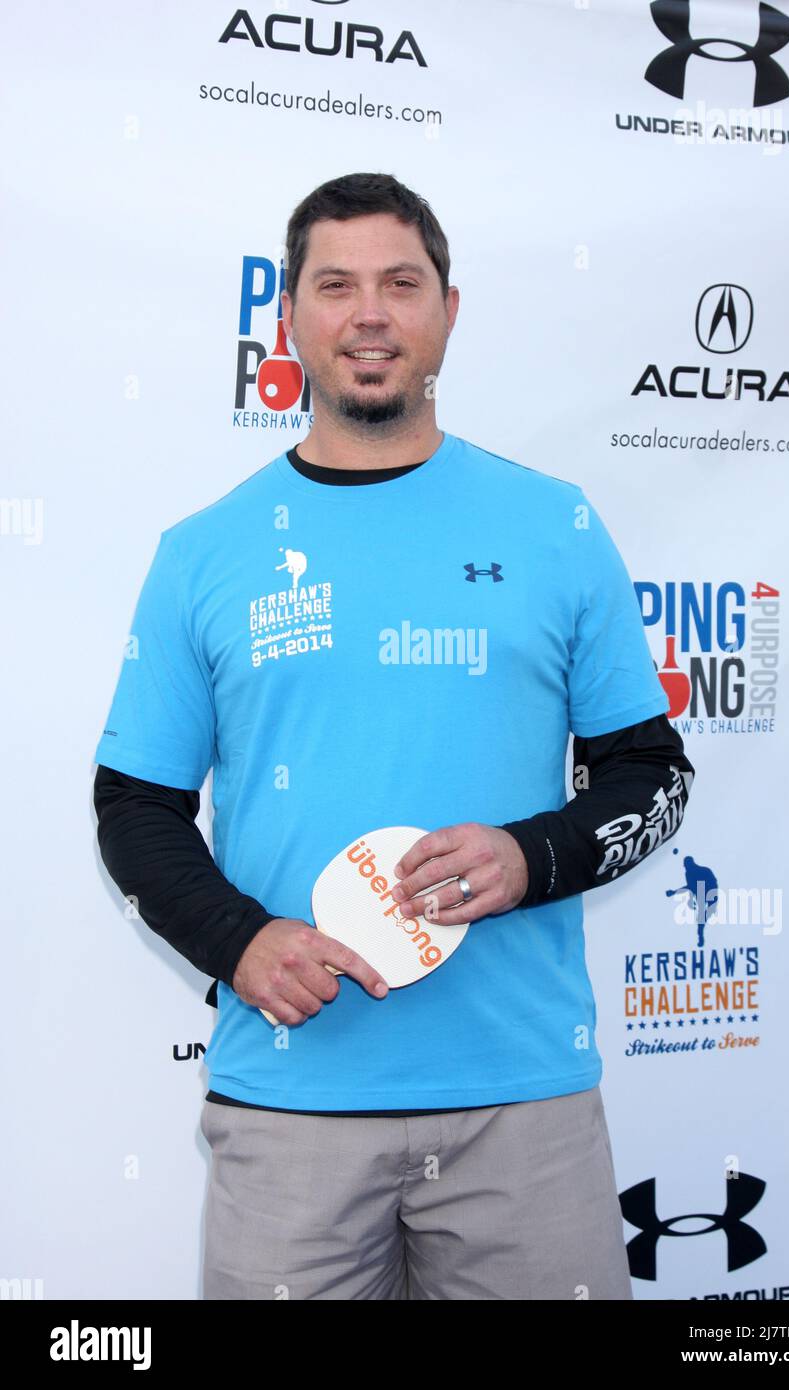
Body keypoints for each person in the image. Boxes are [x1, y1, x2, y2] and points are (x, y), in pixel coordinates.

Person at [93, 171, 695, 1301]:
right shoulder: (202, 552)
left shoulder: (553, 525)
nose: (369, 313)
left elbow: (649, 776)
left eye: (399, 283)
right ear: (289, 320)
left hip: (523, 1108)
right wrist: (239, 942)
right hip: (288, 1105)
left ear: (447, 312)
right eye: (335, 285)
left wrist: (531, 856)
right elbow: (133, 806)